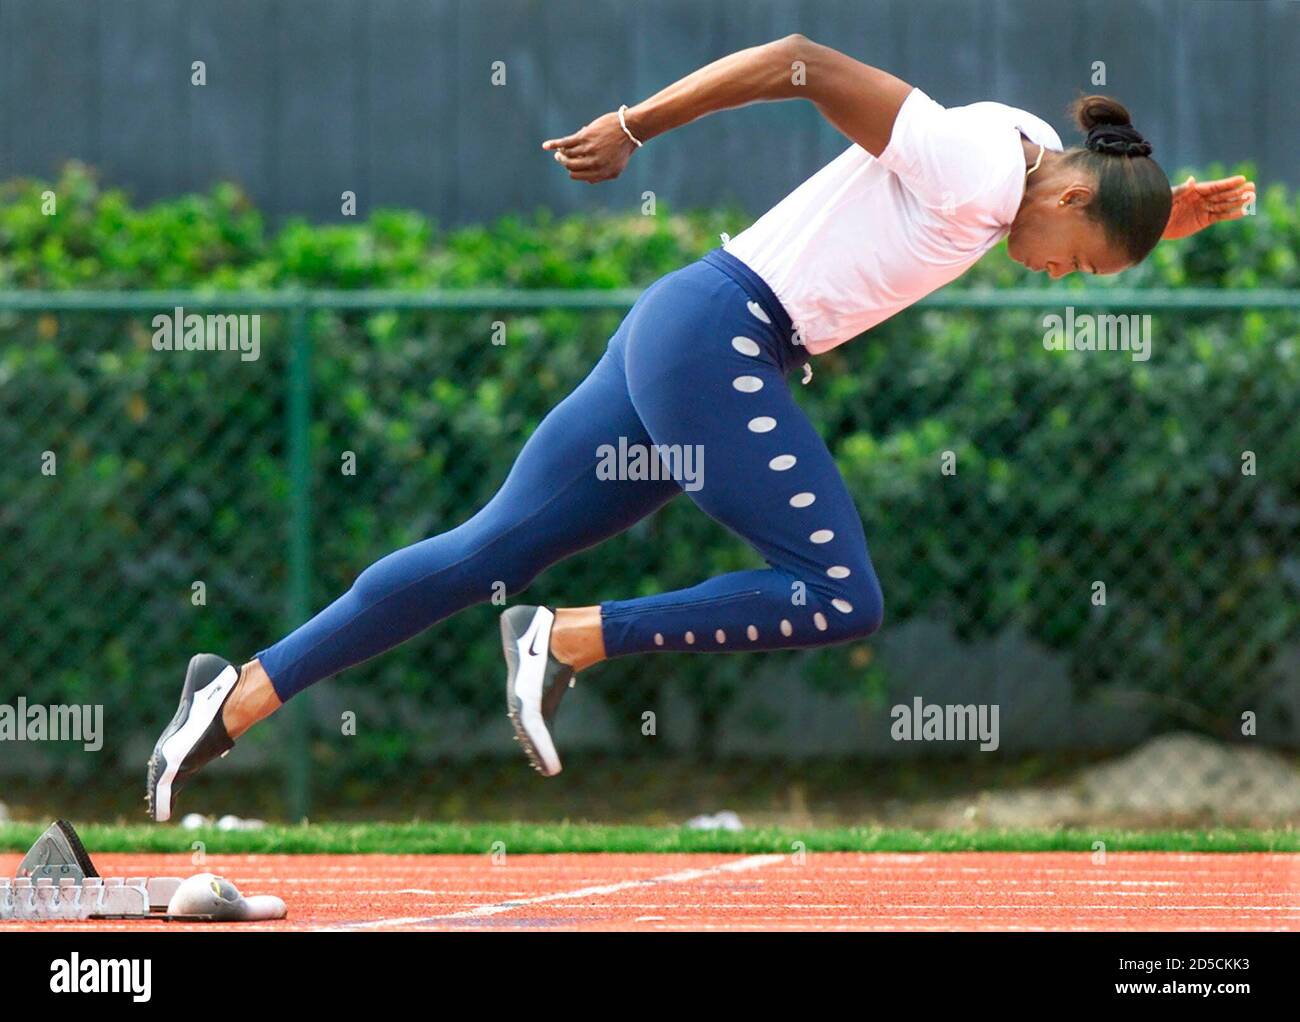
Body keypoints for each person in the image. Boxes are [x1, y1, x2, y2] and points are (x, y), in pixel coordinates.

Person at [147, 34, 1253, 820]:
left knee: (488, 548)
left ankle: (232, 693)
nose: (1060, 282)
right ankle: (567, 637)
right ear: (1067, 202)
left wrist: (1157, 208)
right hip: (721, 336)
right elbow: (798, 60)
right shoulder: (975, 162)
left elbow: (1083, 188)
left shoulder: (1021, 154)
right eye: (1081, 263)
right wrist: (636, 125)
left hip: (690, 327)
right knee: (838, 592)